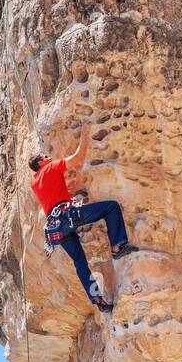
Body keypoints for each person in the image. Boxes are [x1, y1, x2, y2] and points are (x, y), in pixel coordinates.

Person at [29, 124, 137, 312]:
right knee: (111, 207)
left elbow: (48, 185)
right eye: (45, 157)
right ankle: (118, 246)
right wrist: (85, 133)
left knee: (79, 262)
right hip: (68, 216)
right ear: (40, 163)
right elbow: (78, 157)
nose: (49, 157)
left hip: (56, 228)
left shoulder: (34, 182)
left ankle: (97, 299)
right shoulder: (52, 167)